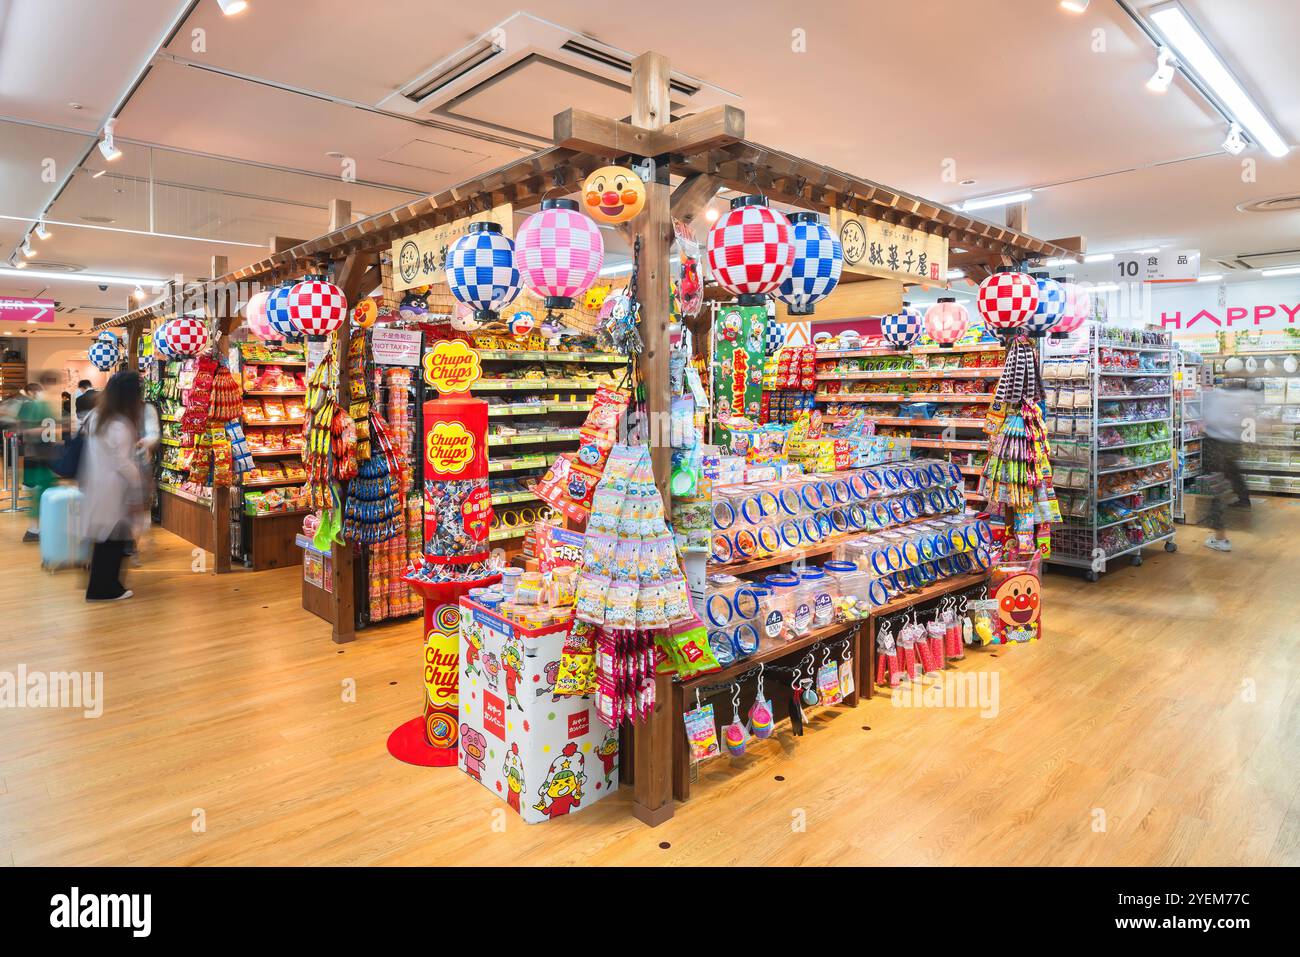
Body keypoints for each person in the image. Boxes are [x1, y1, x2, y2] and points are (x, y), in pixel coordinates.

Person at [79, 372, 145, 601]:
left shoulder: (96, 416)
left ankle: (105, 585)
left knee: (105, 538)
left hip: (95, 483)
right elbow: (124, 462)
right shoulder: (120, 424)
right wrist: (137, 488)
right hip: (114, 489)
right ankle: (104, 588)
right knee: (112, 540)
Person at [1201, 382, 1257, 552]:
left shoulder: (1218, 397)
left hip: (1216, 447)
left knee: (1214, 489)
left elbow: (1211, 420)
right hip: (1232, 446)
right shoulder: (1243, 399)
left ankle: (1221, 538)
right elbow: (1248, 422)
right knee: (1230, 478)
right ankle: (1242, 500)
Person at [17, 372, 60, 543]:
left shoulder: (41, 404)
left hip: (41, 454)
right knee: (40, 493)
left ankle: (36, 528)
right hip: (39, 455)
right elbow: (27, 431)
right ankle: (34, 529)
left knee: (42, 492)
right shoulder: (37, 405)